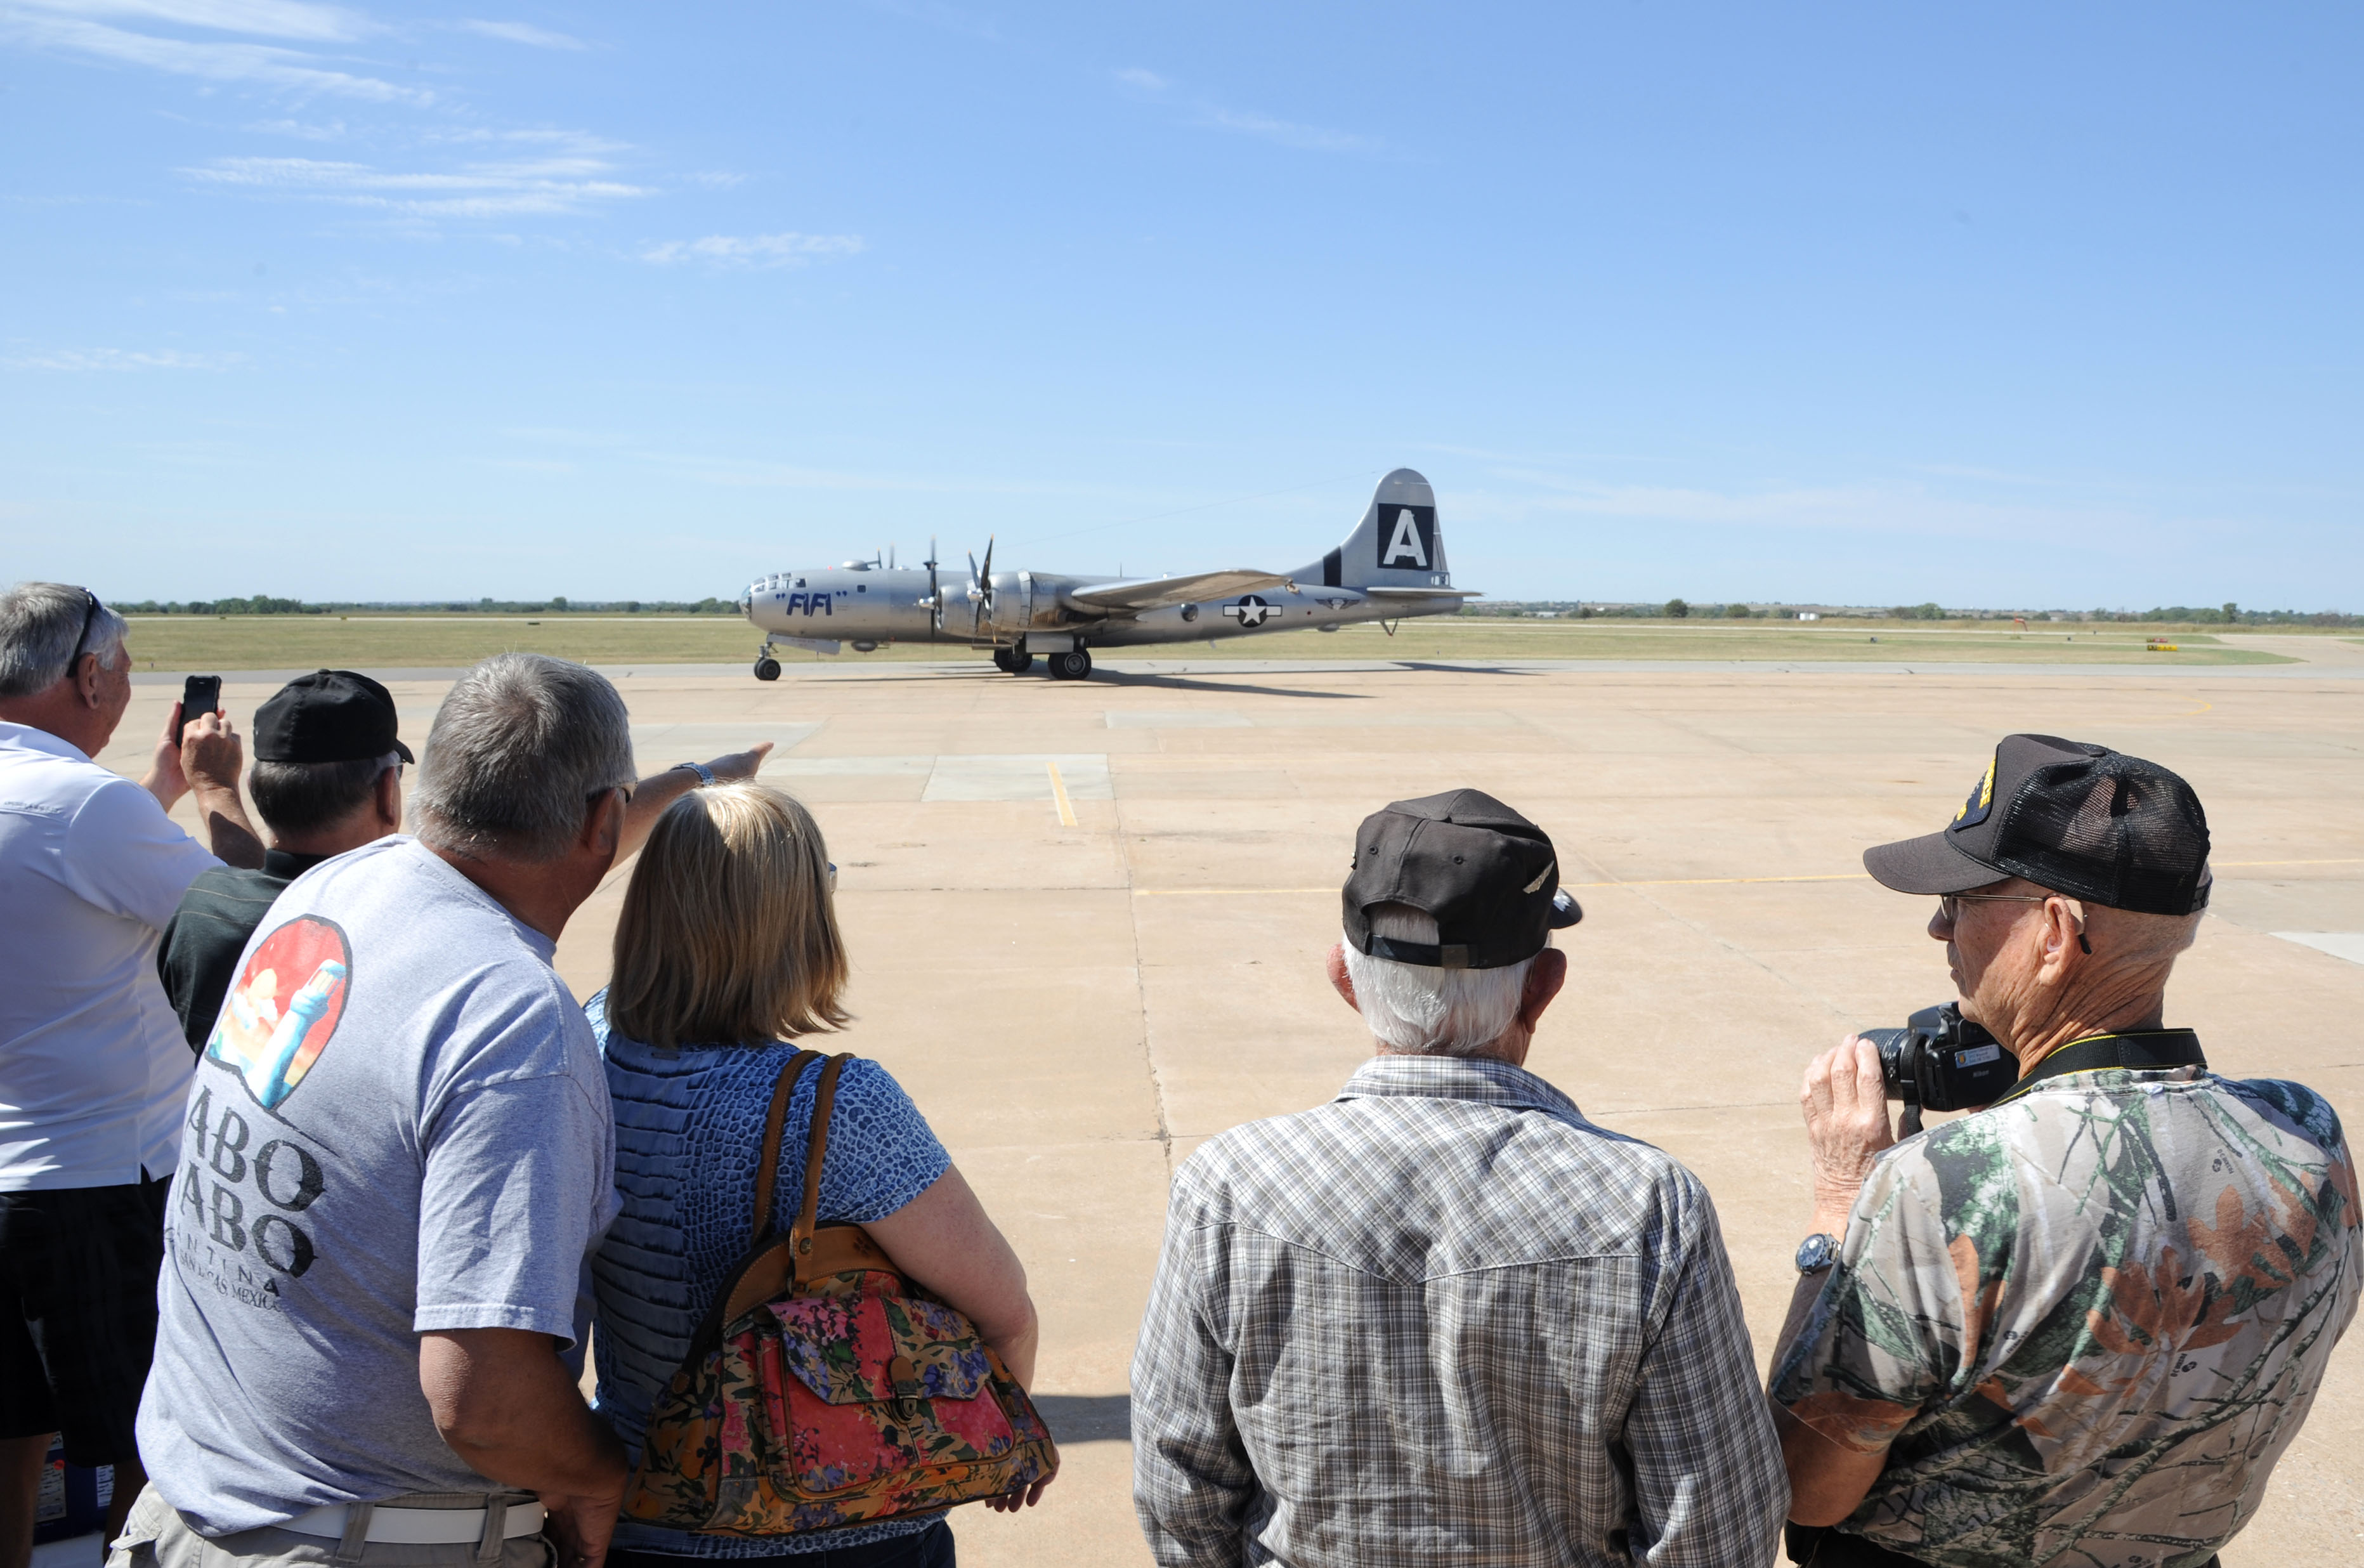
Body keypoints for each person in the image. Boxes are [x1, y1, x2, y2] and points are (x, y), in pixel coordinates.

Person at [119, 653, 771, 1568]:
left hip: (193, 1512)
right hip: (355, 1541)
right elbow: (485, 1400)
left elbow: (537, 855)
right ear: (600, 820)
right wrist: (593, 1477)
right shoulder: (512, 1020)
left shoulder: (327, 896)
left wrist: (696, 779)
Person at [1132, 788, 1789, 1568]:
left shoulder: (1229, 1186)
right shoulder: (1647, 1206)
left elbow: (1178, 1487)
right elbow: (1714, 1530)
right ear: (1542, 988)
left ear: (1345, 979)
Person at [1768, 734, 2362, 1568]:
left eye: (1963, 899)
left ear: (2053, 932)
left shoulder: (1941, 1186)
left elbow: (1801, 1485)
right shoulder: (2309, 1135)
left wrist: (1839, 1205)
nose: (1937, 925)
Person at [588, 781, 1047, 1568]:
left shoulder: (587, 1046)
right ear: (795, 923)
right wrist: (996, 1434)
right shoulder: (831, 1104)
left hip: (643, 1508)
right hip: (832, 1528)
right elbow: (1003, 1310)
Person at [0, 582, 263, 1568]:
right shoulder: (85, 807)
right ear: (87, 674)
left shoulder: (76, 807)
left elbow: (53, 888)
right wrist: (208, 791)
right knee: (150, 1454)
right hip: (97, 1184)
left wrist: (146, 789)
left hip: (14, 1175)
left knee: (16, 1436)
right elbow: (242, 925)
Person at [157, 670, 413, 1054]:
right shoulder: (399, 920)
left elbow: (265, 892)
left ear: (258, 791)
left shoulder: (204, 910)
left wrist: (213, 788)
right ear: (386, 794)